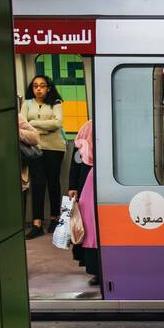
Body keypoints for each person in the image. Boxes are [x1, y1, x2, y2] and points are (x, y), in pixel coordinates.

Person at [21, 75, 65, 239]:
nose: (38, 89)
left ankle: (55, 218)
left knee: (53, 182)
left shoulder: (56, 104)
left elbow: (57, 124)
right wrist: (45, 127)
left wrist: (33, 124)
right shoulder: (27, 104)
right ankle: (37, 223)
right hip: (33, 148)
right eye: (35, 86)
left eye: (42, 86)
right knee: (38, 184)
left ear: (48, 88)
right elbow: (21, 125)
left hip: (54, 148)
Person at [66, 121, 100, 286]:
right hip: (85, 180)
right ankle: (96, 270)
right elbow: (77, 160)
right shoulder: (87, 129)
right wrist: (72, 185)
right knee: (90, 227)